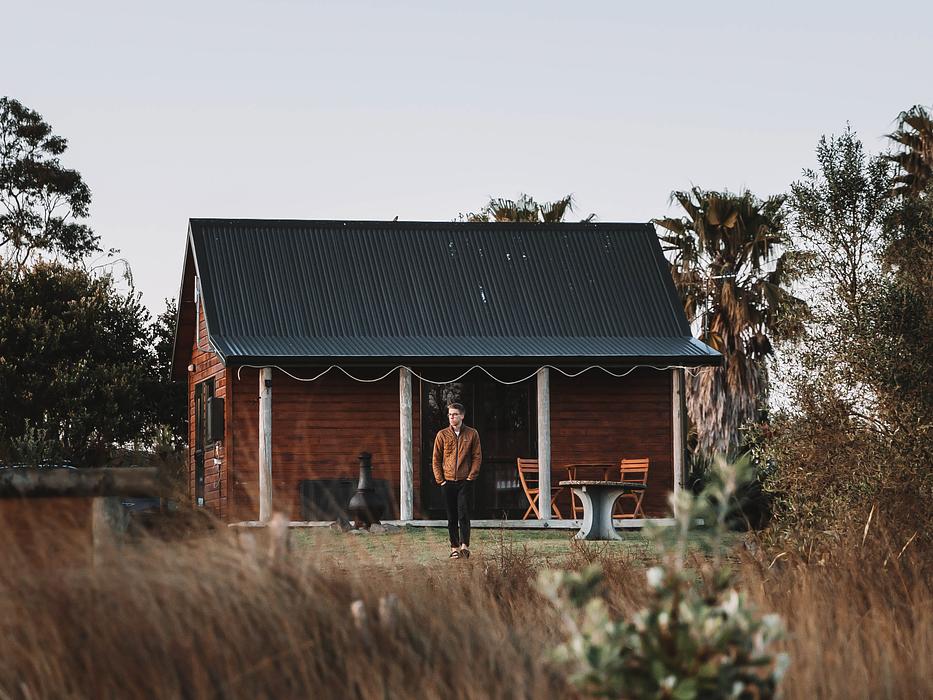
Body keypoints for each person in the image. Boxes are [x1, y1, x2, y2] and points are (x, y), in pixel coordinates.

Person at [432, 402, 482, 559]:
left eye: (454, 414)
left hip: (464, 482)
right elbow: (436, 459)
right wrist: (441, 481)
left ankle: (464, 546)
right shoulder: (442, 435)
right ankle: (454, 548)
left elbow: (477, 456)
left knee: (463, 514)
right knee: (451, 516)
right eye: (449, 414)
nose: (451, 417)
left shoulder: (472, 434)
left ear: (462, 416)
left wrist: (470, 478)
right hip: (447, 482)